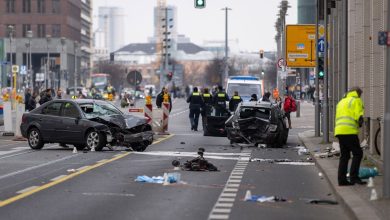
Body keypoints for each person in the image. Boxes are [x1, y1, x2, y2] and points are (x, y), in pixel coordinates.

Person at [335, 87, 366, 186]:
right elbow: (359, 116)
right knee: (358, 153)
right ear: (358, 93)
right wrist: (360, 124)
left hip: (339, 131)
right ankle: (354, 177)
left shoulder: (341, 101)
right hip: (349, 131)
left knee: (345, 156)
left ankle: (342, 180)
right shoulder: (356, 100)